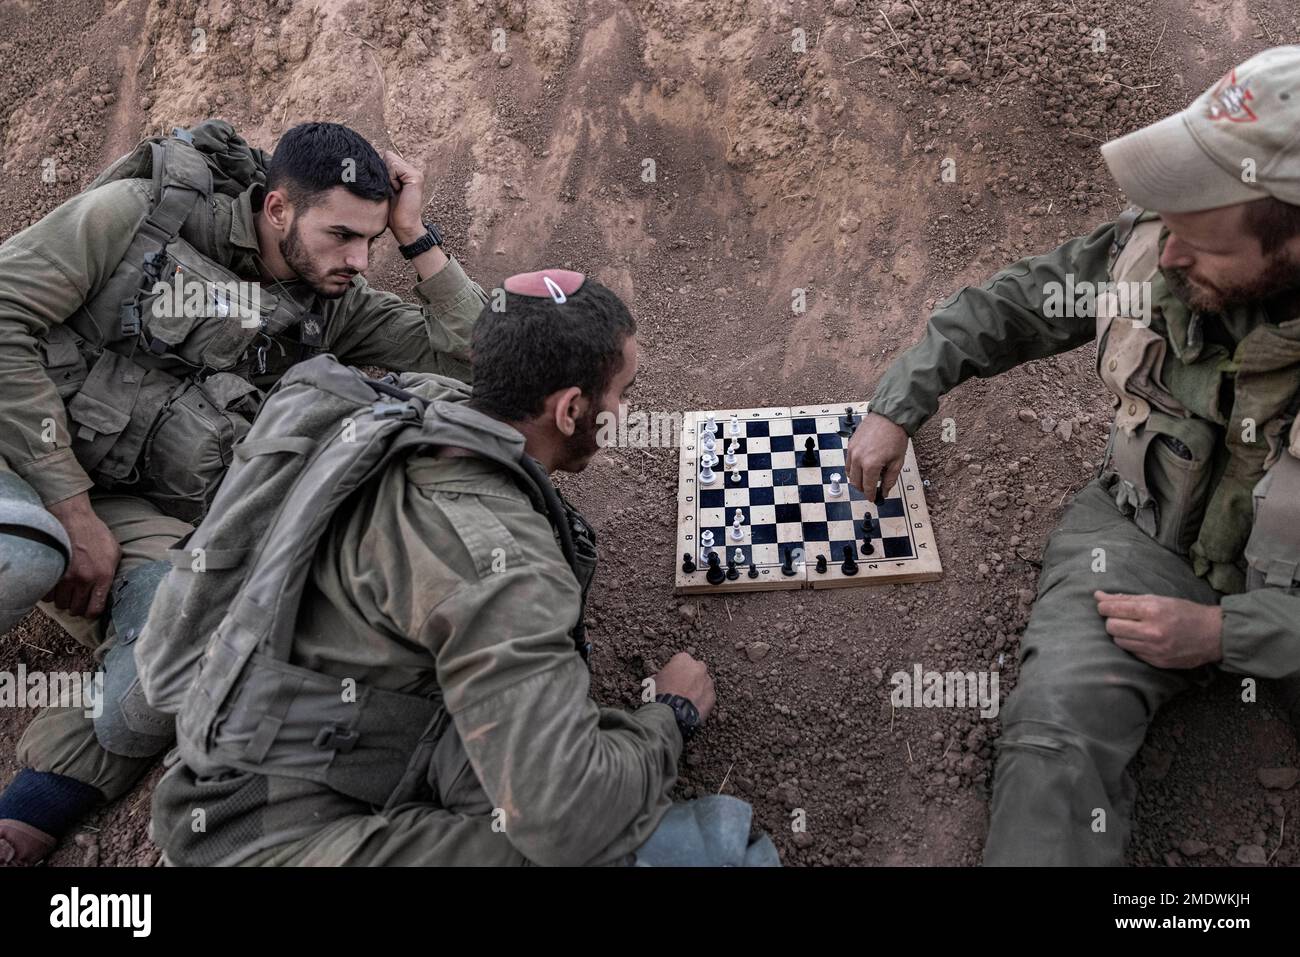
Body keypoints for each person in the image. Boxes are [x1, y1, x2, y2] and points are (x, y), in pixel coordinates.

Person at [145, 269, 778, 866]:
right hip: (267, 832)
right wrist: (669, 719)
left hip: (315, 737)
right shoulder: (501, 559)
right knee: (696, 850)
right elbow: (566, 818)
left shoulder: (415, 406)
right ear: (570, 411)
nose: (627, 414)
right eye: (623, 395)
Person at [845, 46, 1300, 865]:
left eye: (1202, 241)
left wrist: (1225, 632)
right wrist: (901, 400)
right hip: (1144, 541)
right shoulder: (1162, 247)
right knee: (1051, 750)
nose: (1170, 255)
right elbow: (1017, 303)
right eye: (1171, 228)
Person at [0, 119, 488, 865]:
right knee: (26, 550)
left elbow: (478, 360)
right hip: (18, 456)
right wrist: (68, 507)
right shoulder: (136, 214)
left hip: (124, 502)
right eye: (341, 235)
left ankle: (45, 790)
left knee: (191, 646)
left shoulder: (332, 301)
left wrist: (418, 238)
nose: (359, 260)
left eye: (372, 240)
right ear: (278, 208)